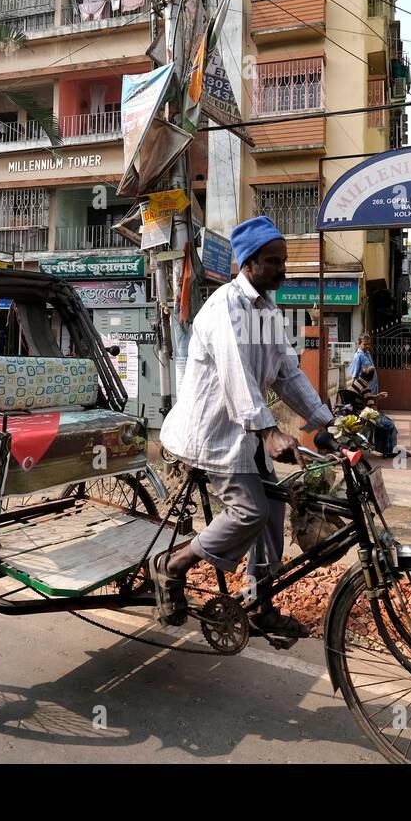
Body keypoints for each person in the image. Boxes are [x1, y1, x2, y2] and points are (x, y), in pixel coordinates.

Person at [156, 216, 334, 636]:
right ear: (249, 263)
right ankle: (173, 565)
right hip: (213, 435)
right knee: (250, 511)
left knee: (273, 514)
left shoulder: (267, 310)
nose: (282, 269)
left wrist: (325, 423)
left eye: (283, 260)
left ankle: (259, 605)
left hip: (247, 434)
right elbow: (237, 375)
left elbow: (287, 373)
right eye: (274, 261)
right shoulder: (224, 307)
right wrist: (270, 431)